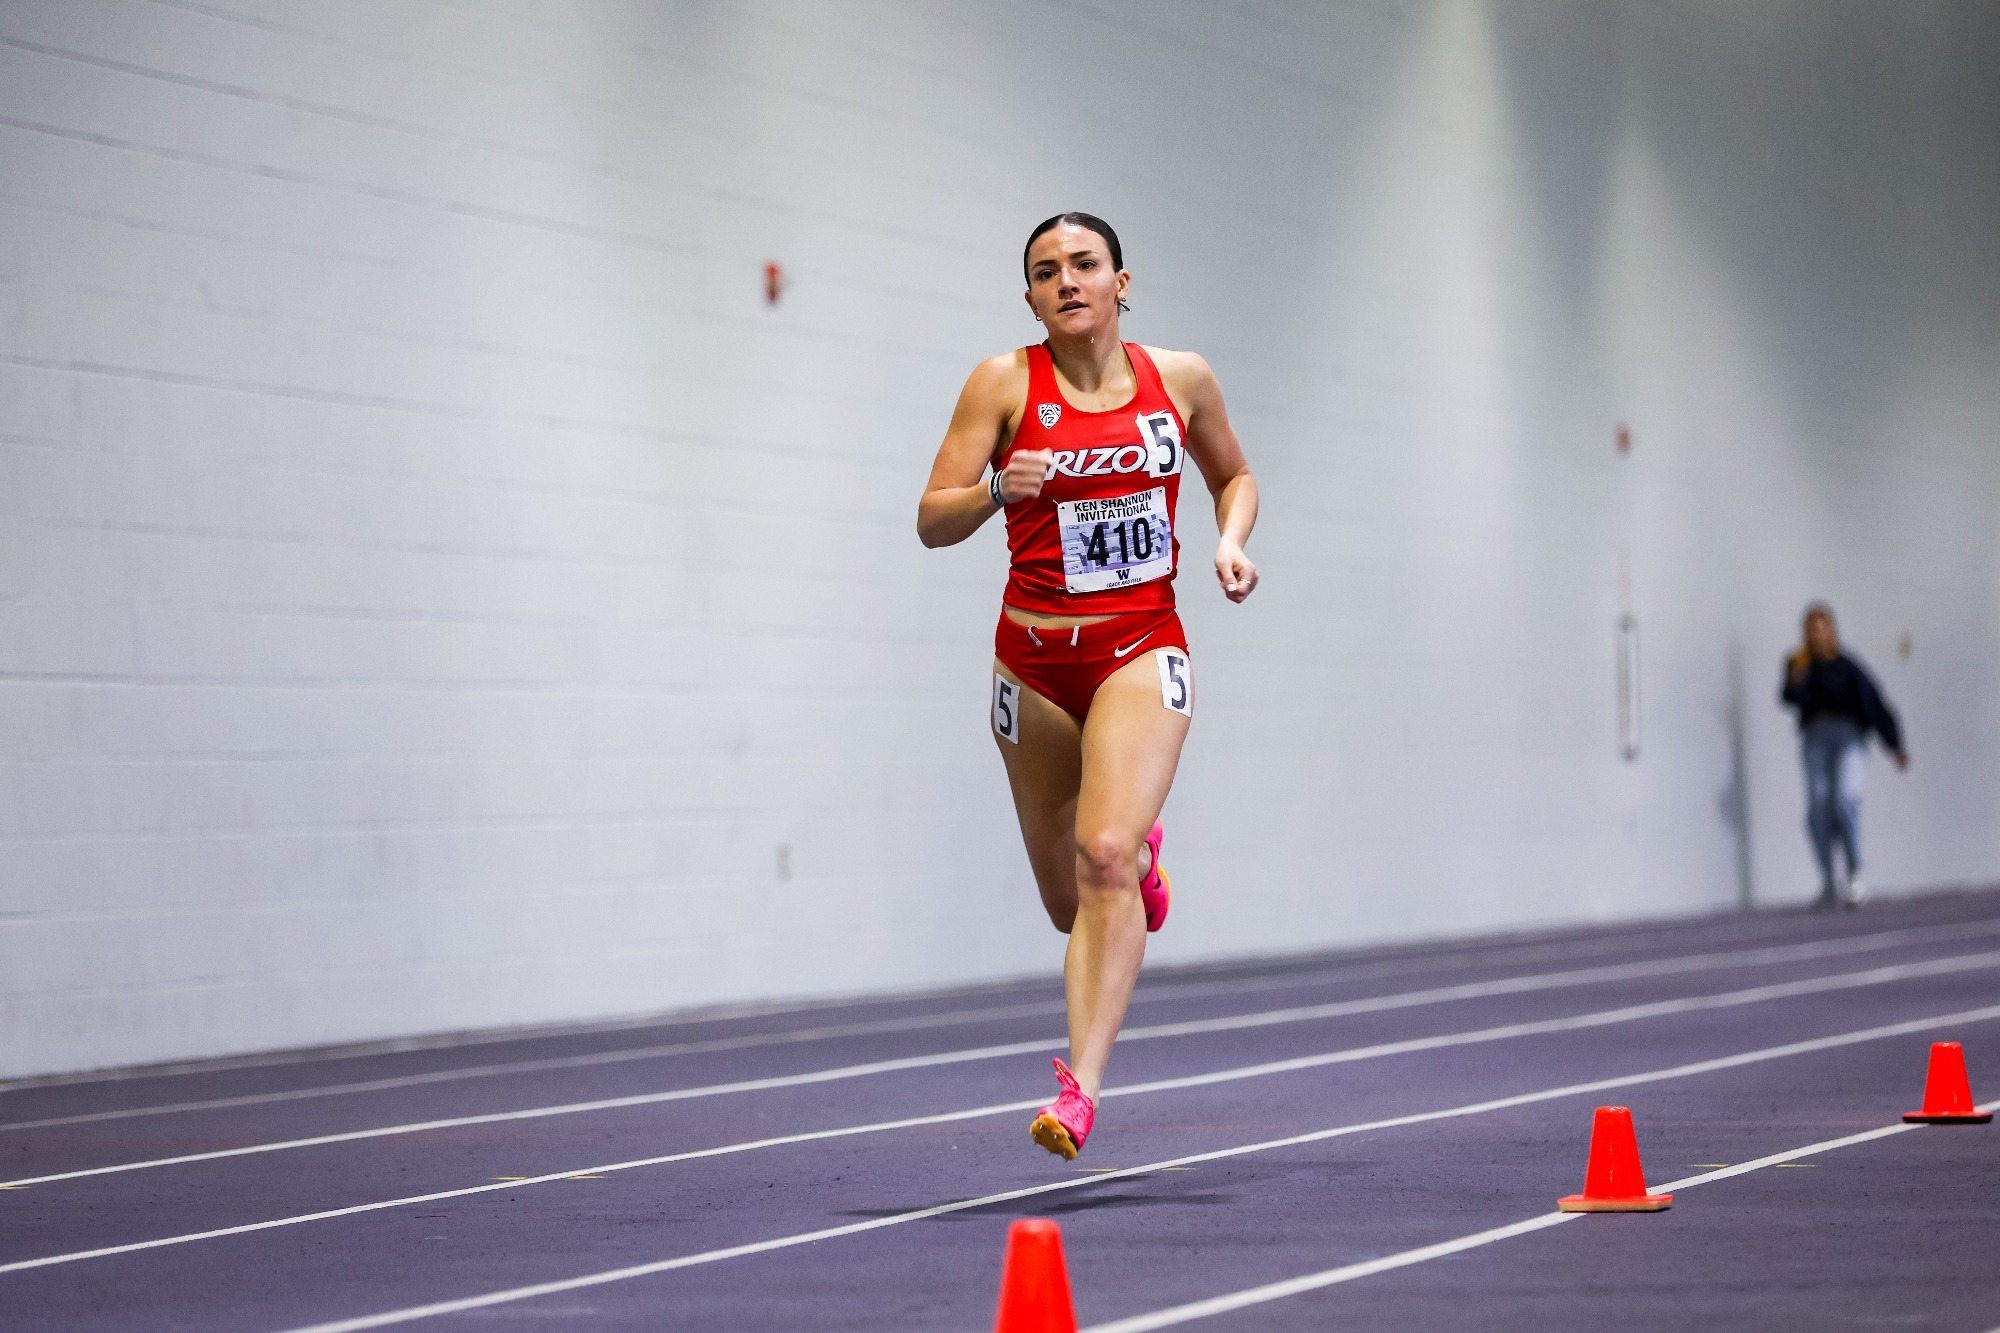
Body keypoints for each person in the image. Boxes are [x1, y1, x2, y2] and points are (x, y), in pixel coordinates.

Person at [917, 213, 1259, 1159]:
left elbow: (1234, 475)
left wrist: (1230, 542)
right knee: (1072, 903)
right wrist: (996, 492)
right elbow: (929, 519)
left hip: (1140, 648)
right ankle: (1141, 870)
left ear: (1121, 280)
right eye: (1044, 272)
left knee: (1102, 849)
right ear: (1029, 297)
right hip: (1031, 664)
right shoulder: (1001, 384)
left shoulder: (1179, 379)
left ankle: (1081, 1089)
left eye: (1083, 264)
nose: (1066, 280)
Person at [1780, 602, 1907, 911]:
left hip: (1849, 736)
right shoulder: (1800, 664)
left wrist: (1894, 743)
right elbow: (1788, 698)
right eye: (1812, 630)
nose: (1817, 635)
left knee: (1846, 798)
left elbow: (1873, 703)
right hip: (1815, 737)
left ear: (1832, 632)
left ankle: (1854, 872)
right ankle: (1827, 880)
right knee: (1818, 806)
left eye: (1822, 629)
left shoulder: (1848, 667)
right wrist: (1797, 677)